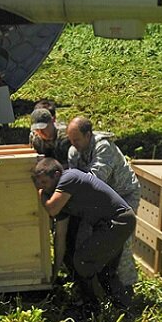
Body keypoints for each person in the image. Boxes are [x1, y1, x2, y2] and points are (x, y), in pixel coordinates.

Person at [31, 158, 135, 308]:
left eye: (44, 182)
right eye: (39, 183)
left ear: (56, 174)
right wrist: (54, 274)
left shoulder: (69, 178)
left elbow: (52, 209)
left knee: (83, 260)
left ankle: (91, 305)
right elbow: (60, 238)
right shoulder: (62, 201)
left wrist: (40, 193)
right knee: (104, 269)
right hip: (111, 224)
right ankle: (123, 307)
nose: (42, 186)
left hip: (118, 221)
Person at [66, 116, 141, 292]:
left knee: (121, 241)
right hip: (98, 199)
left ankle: (126, 287)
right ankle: (92, 283)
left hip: (124, 195)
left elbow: (96, 179)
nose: (73, 144)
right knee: (86, 237)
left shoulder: (103, 147)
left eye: (77, 140)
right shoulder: (74, 152)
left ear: (88, 135)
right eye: (71, 140)